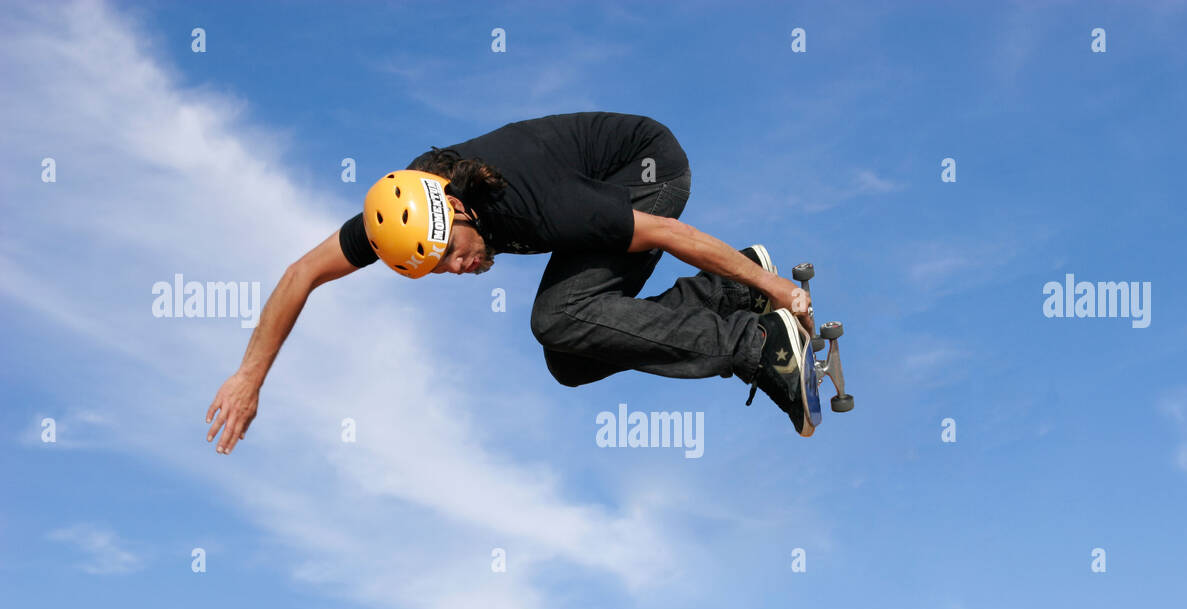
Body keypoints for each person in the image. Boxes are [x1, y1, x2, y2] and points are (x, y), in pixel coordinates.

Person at [206, 112, 817, 454]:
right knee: (570, 358)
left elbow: (662, 232)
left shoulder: (537, 202)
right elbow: (301, 274)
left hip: (646, 172)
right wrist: (248, 377)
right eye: (437, 268)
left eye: (453, 253)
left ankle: (760, 343)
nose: (458, 267)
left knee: (556, 318)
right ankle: (727, 295)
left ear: (465, 211)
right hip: (602, 186)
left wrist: (781, 289)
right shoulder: (400, 218)